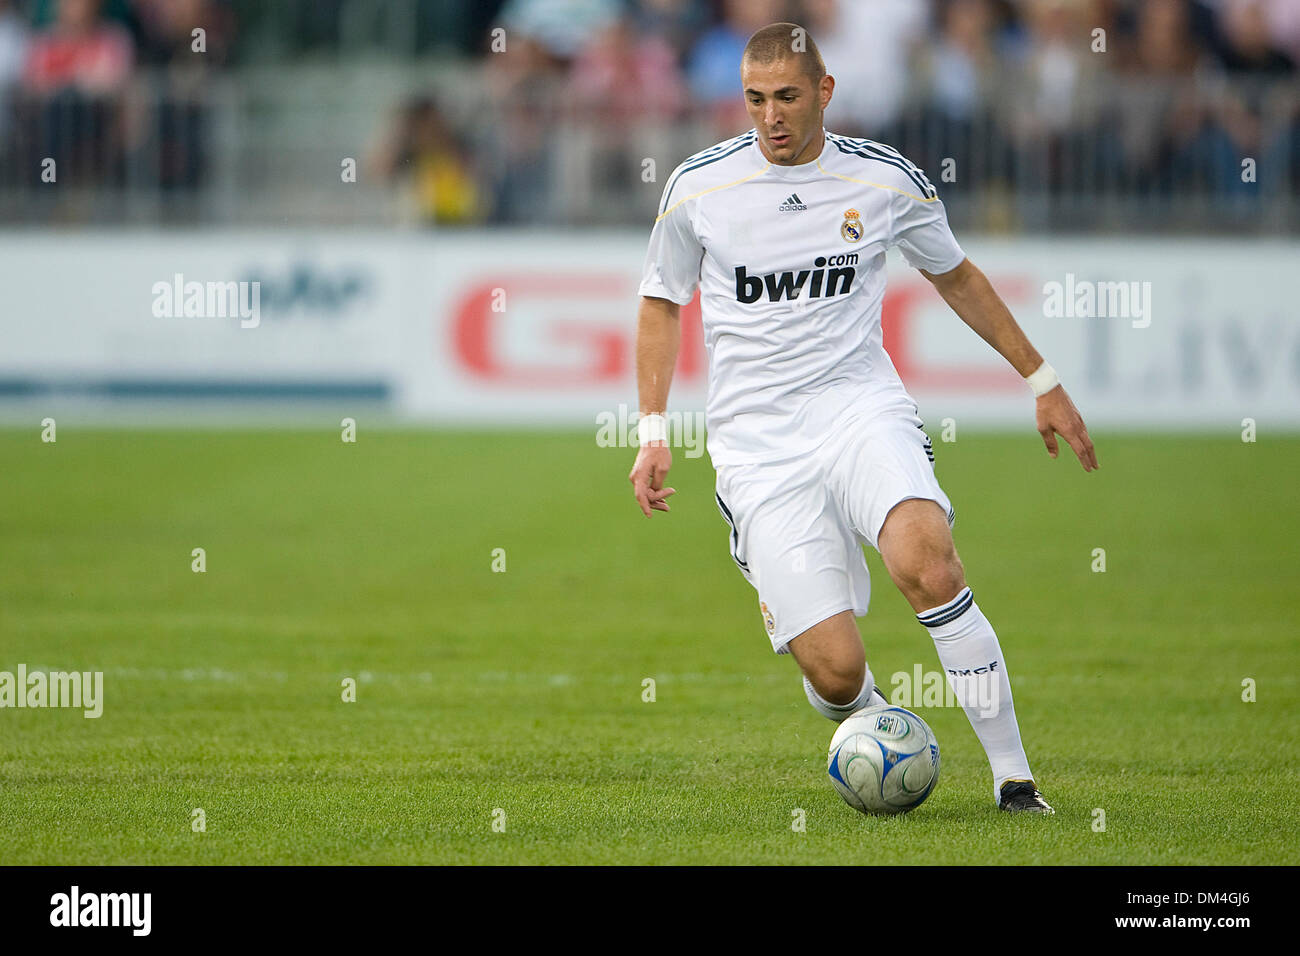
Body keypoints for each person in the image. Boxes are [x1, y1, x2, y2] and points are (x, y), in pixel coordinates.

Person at [628, 22, 1098, 813]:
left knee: (929, 563)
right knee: (836, 672)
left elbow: (956, 276)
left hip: (859, 408)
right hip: (757, 446)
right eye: (754, 99)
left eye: (786, 97)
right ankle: (873, 720)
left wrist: (1041, 378)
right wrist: (651, 432)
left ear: (824, 92)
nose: (770, 116)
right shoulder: (698, 186)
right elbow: (660, 301)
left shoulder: (883, 179)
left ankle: (1015, 781)